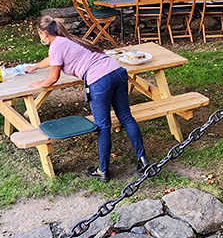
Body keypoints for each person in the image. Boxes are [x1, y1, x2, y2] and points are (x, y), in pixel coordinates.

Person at [25, 16, 149, 182]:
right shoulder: (67, 40)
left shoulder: (55, 45)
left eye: (39, 34)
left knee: (103, 126)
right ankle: (143, 160)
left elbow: (53, 78)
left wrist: (39, 84)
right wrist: (35, 66)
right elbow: (53, 60)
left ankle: (103, 171)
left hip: (99, 80)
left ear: (43, 34)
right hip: (117, 71)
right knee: (126, 117)